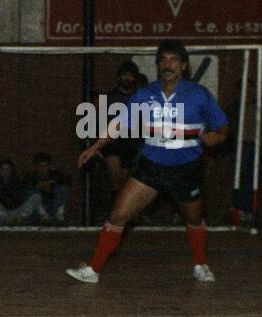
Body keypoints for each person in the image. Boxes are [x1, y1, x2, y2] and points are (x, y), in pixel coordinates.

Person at [67, 39, 229, 284]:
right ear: (157, 65)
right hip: (151, 167)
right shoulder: (144, 94)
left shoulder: (200, 95)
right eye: (163, 59)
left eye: (173, 59)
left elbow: (223, 128)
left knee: (194, 220)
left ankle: (200, 264)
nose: (168, 64)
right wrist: (95, 146)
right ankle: (93, 270)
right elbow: (120, 124)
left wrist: (215, 138)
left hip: (186, 170)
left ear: (184, 65)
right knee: (118, 215)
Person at [101, 62, 141, 208]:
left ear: (135, 78)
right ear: (118, 78)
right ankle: (115, 207)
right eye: (124, 75)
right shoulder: (110, 97)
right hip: (113, 142)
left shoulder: (140, 96)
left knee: (126, 182)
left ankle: (123, 210)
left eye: (130, 75)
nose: (127, 78)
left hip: (132, 143)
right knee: (115, 176)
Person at [0, 158, 46, 226]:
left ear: (11, 170)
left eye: (7, 169)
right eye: (2, 169)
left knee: (36, 197)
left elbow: (18, 201)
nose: (5, 172)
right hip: (0, 216)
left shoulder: (17, 183)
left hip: (15, 215)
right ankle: (6, 219)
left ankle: (19, 219)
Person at [25, 151, 70, 223]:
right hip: (39, 208)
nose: (42, 169)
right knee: (32, 193)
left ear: (49, 166)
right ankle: (44, 216)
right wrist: (40, 186)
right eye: (40, 166)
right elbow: (27, 188)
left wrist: (50, 185)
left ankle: (59, 215)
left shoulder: (56, 175)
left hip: (53, 205)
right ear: (36, 167)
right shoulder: (31, 177)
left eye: (44, 166)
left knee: (61, 189)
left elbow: (65, 183)